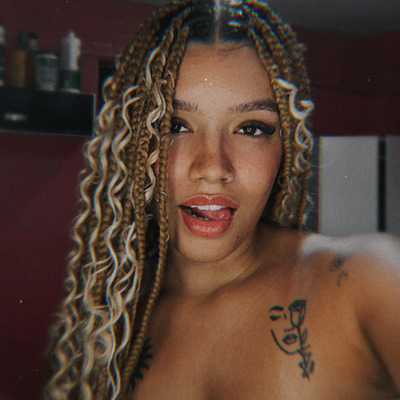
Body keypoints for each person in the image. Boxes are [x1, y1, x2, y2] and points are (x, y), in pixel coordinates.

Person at [43, 1, 400, 399]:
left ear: (286, 148)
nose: (213, 167)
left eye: (251, 128)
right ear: (133, 142)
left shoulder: (368, 281)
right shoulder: (108, 317)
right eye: (175, 125)